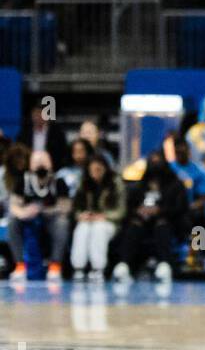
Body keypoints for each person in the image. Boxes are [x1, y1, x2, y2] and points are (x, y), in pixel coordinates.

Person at [113, 151, 187, 283]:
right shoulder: (139, 185)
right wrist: (140, 211)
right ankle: (124, 265)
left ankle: (165, 264)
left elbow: (180, 208)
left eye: (158, 160)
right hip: (143, 222)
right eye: (152, 161)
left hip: (168, 222)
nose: (155, 164)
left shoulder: (175, 184)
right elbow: (130, 208)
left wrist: (159, 211)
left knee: (162, 225)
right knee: (133, 225)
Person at [5, 147, 71, 280]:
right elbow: (14, 205)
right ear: (30, 164)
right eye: (37, 162)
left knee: (62, 223)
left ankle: (55, 265)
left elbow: (66, 207)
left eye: (44, 161)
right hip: (28, 218)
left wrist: (44, 210)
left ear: (51, 163)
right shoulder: (24, 180)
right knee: (12, 221)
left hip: (50, 218)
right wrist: (24, 212)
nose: (41, 165)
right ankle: (20, 265)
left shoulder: (58, 181)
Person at [70, 153, 124, 281]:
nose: (96, 173)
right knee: (82, 228)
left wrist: (104, 216)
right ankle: (78, 268)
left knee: (98, 228)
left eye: (99, 169)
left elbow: (121, 211)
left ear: (105, 168)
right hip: (88, 220)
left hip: (109, 221)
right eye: (92, 170)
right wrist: (81, 215)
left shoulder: (116, 183)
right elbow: (75, 208)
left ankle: (98, 268)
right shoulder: (83, 184)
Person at [165, 133, 205, 269]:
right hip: (170, 209)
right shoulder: (168, 169)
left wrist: (189, 206)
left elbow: (204, 198)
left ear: (189, 150)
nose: (180, 152)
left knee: (200, 220)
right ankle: (166, 259)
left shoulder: (199, 172)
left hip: (189, 209)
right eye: (177, 150)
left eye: (183, 149)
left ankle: (198, 255)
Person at [18, 102, 70, 170]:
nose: (39, 116)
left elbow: (62, 153)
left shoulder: (57, 133)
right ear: (32, 115)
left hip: (53, 169)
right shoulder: (24, 134)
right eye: (36, 113)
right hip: (29, 169)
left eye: (42, 113)